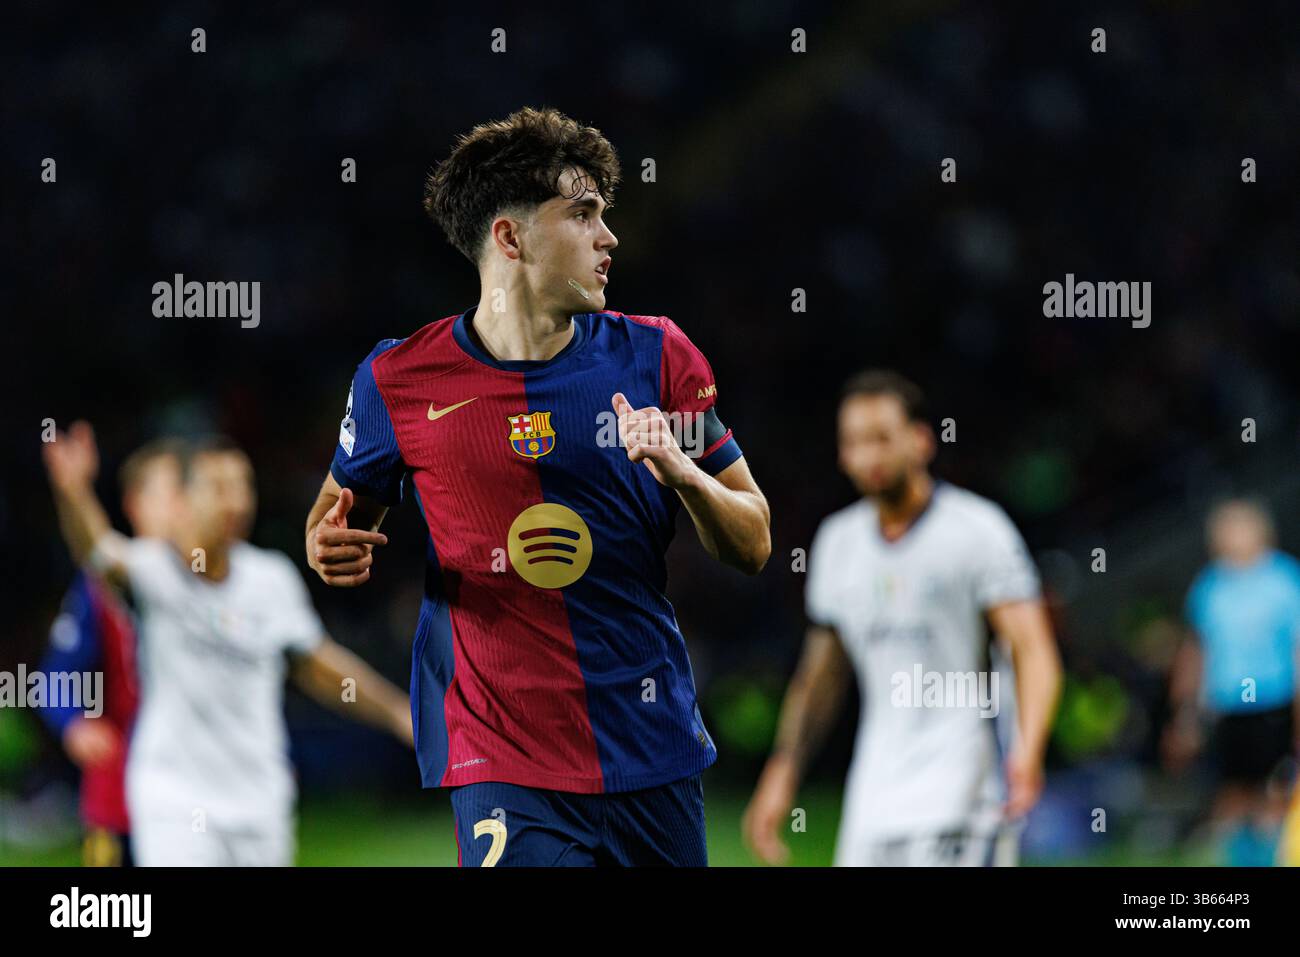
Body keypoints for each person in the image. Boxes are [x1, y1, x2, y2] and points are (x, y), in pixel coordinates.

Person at [304, 106, 771, 866]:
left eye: (605, 215)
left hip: (649, 745)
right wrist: (327, 545)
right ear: (510, 237)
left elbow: (753, 540)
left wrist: (684, 473)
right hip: (502, 757)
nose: (608, 237)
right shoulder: (397, 380)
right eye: (583, 214)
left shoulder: (657, 359)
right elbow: (334, 514)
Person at [43, 423, 414, 866]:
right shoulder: (153, 573)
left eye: (244, 486)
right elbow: (97, 553)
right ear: (184, 500)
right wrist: (73, 493)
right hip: (174, 803)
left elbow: (319, 666)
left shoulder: (270, 579)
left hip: (260, 801)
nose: (236, 501)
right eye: (219, 487)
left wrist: (398, 712)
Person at [743, 370, 1061, 866]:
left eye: (881, 438)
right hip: (874, 799)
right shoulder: (837, 542)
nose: (868, 456)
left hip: (967, 794)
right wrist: (781, 775)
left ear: (920, 440)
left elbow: (1033, 649)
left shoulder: (979, 531)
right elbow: (820, 677)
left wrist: (1029, 749)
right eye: (853, 442)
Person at [36, 439, 182, 866]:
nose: (182, 505)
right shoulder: (102, 591)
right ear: (135, 504)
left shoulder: (230, 583)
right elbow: (56, 674)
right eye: (170, 491)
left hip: (199, 795)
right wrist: (74, 723)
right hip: (121, 798)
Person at [1164, 499, 1300, 865]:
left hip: (1275, 701)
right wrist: (1185, 714)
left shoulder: (1285, 579)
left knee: (1274, 790)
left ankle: (1273, 856)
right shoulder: (1211, 586)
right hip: (1226, 705)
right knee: (1231, 792)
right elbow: (1196, 650)